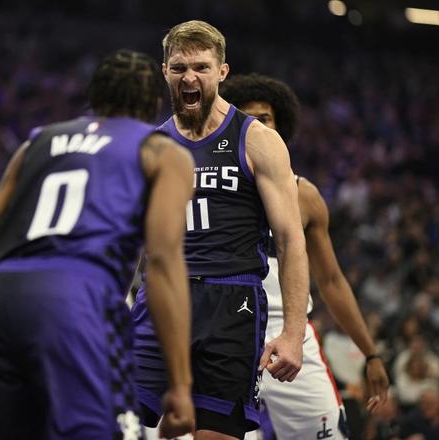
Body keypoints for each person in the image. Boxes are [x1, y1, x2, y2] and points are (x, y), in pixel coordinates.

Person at [0, 49, 196, 439]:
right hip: (75, 299)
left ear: (94, 96)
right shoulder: (163, 153)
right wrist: (181, 385)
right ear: (156, 102)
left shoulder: (36, 143)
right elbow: (164, 264)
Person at [132, 21, 309, 440]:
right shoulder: (150, 147)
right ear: (165, 71)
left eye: (201, 67)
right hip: (161, 296)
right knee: (106, 419)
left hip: (232, 304)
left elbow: (289, 240)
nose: (189, 77)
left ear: (222, 72)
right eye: (179, 68)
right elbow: (128, 243)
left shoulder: (258, 140)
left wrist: (293, 333)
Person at [219, 72, 390, 439]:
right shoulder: (210, 188)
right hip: (224, 333)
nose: (256, 127)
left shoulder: (305, 196)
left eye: (264, 119)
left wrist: (370, 354)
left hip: (291, 335)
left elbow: (331, 281)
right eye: (246, 120)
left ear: (280, 129)